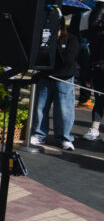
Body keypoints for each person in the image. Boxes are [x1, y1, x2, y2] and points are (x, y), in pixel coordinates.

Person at [30, 18, 80, 151]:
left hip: (64, 78)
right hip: (46, 77)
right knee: (40, 106)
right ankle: (39, 134)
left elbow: (68, 60)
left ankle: (64, 138)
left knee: (64, 110)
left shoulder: (72, 39)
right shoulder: (44, 39)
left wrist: (56, 46)